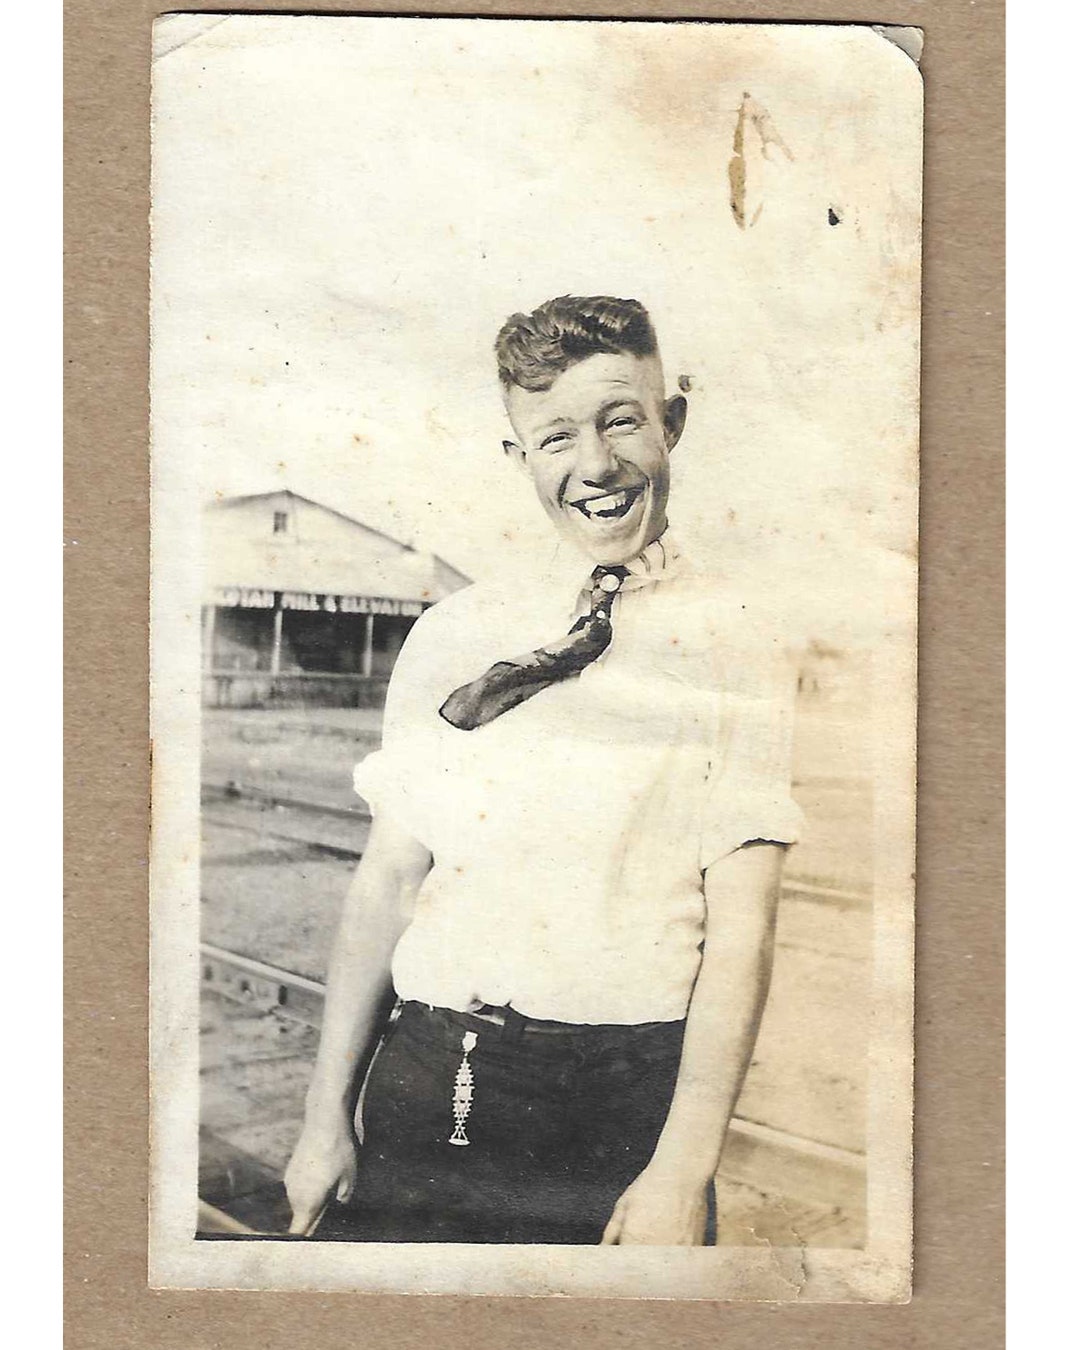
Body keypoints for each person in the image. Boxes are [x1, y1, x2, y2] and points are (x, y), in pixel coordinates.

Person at [284, 295, 802, 1245]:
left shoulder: (742, 644)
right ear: (519, 454)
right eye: (555, 436)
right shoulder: (454, 634)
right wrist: (325, 1122)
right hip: (430, 1077)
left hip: (618, 1104)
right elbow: (389, 883)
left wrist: (681, 1175)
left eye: (621, 420)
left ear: (671, 422)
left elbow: (743, 933)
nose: (595, 467)